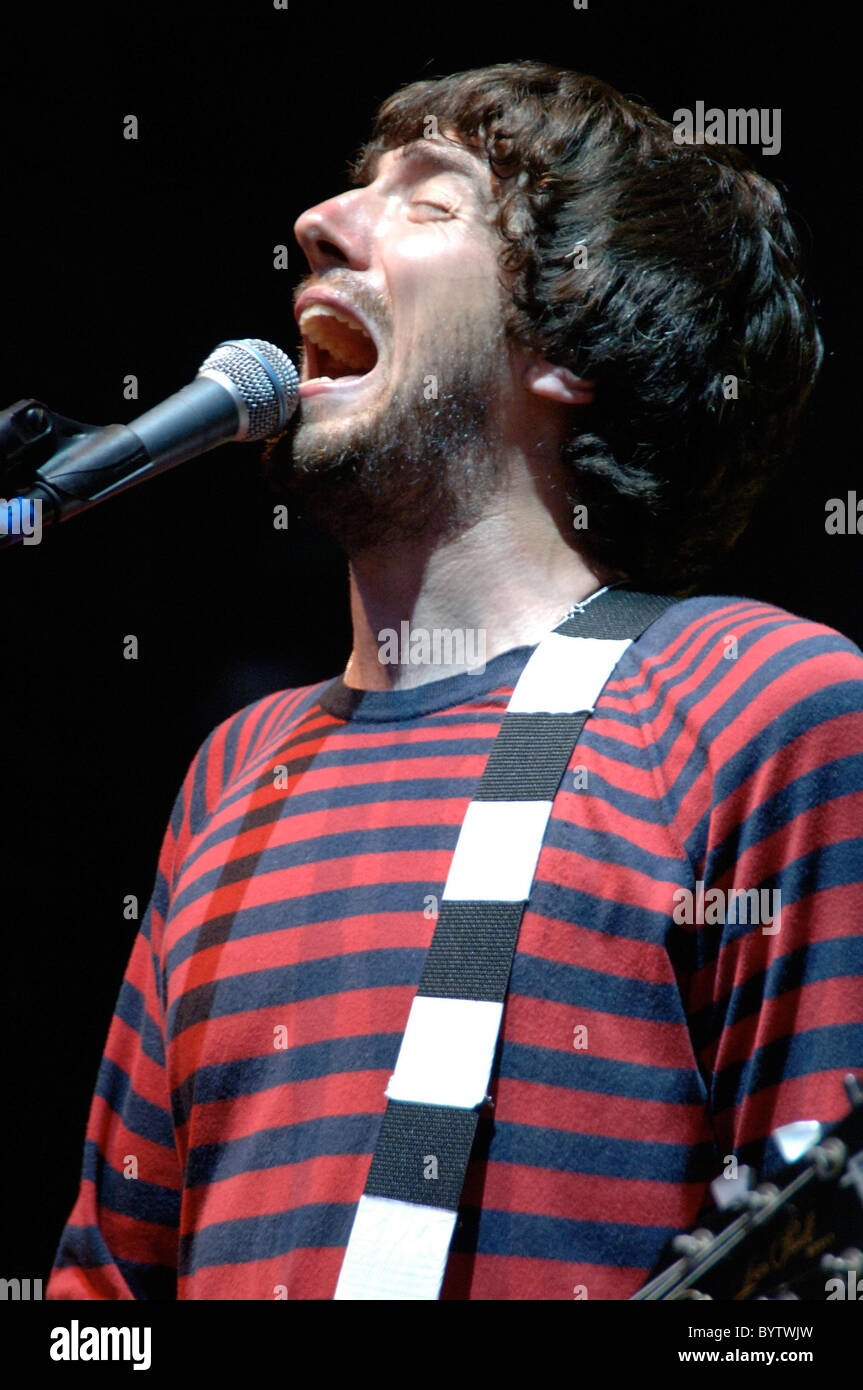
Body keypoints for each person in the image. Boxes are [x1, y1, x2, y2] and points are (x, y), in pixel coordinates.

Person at [47, 62, 862, 1301]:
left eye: (429, 204)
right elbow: (105, 1299)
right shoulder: (237, 769)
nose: (319, 222)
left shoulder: (753, 701)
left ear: (573, 343)